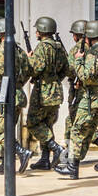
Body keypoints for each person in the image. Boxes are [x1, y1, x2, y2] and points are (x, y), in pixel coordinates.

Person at [56, 21, 98, 179]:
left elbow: (87, 77)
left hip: (93, 99)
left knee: (78, 131)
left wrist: (78, 60)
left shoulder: (93, 53)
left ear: (89, 37)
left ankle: (72, 167)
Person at [0, 18, 33, 175]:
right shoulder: (18, 50)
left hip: (4, 93)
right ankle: (5, 164)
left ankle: (20, 151)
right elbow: (28, 71)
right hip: (18, 93)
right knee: (7, 128)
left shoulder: (3, 49)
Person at [26, 16, 69, 170]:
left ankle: (55, 148)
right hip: (55, 91)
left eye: (37, 29)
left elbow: (35, 68)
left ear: (43, 30)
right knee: (47, 124)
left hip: (42, 92)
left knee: (33, 122)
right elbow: (66, 68)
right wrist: (55, 79)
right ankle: (45, 159)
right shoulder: (58, 46)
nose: (36, 32)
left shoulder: (43, 47)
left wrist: (28, 60)